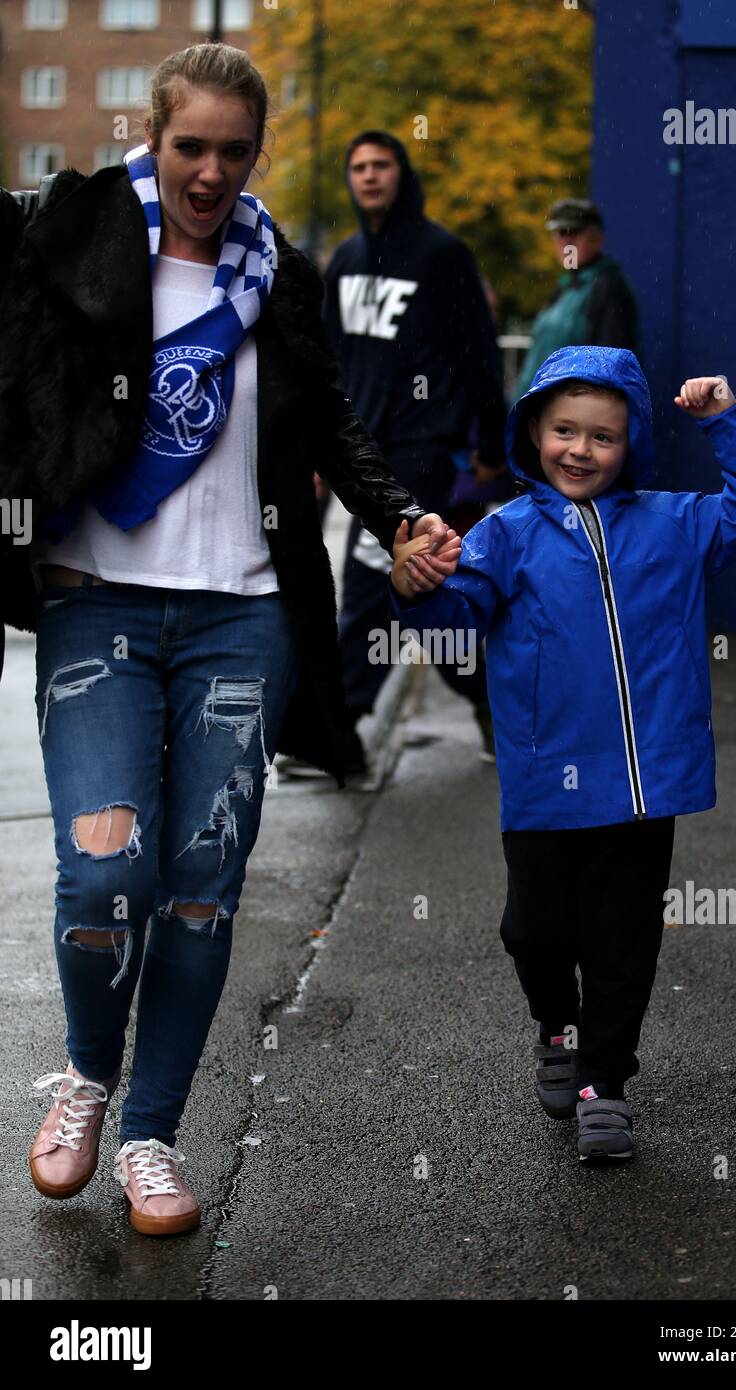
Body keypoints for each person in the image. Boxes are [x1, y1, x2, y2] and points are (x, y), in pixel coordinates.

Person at [0, 43, 446, 1235]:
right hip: (97, 601)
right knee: (105, 872)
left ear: (256, 154)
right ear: (153, 139)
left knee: (200, 892)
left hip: (242, 617)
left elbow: (329, 417)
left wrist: (401, 516)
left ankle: (151, 1134)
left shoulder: (274, 271)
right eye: (189, 146)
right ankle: (86, 1075)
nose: (209, 172)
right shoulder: (74, 235)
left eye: (233, 152)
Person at [388, 345, 736, 1163]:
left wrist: (726, 419)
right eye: (563, 430)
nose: (579, 450)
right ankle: (555, 1029)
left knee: (621, 944)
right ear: (533, 431)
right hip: (543, 780)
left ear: (630, 442)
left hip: (642, 787)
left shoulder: (675, 524)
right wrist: (416, 584)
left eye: (602, 436)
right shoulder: (504, 533)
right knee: (533, 932)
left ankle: (604, 1082)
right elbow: (455, 618)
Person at [318, 129, 508, 773]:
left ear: (402, 174)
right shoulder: (345, 260)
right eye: (359, 166)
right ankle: (497, 705)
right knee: (423, 593)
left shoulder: (441, 255)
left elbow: (480, 356)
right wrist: (320, 452)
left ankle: (339, 731)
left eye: (382, 164)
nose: (369, 175)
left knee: (373, 584)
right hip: (361, 455)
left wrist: (492, 445)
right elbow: (330, 365)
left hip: (423, 452)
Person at [514, 199, 639, 400]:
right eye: (560, 232)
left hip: (566, 411)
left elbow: (607, 373)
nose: (566, 240)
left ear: (596, 238)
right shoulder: (564, 288)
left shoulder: (607, 287)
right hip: (539, 409)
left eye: (573, 231)